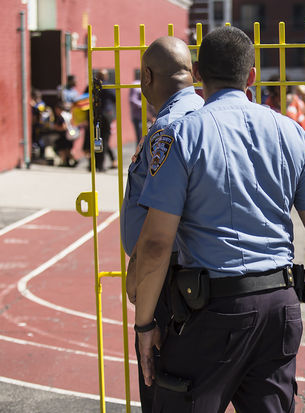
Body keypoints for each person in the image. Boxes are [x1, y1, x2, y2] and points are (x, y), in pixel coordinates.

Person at [133, 26, 305, 412]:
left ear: (197, 73)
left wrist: (145, 323)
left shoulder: (183, 134)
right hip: (280, 304)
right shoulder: (290, 132)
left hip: (213, 310)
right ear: (251, 76)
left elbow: (156, 242)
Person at [121, 36, 204, 413]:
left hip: (169, 283)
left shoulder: (169, 127)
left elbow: (162, 228)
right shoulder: (202, 116)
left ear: (147, 76)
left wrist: (139, 269)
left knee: (164, 392)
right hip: (189, 280)